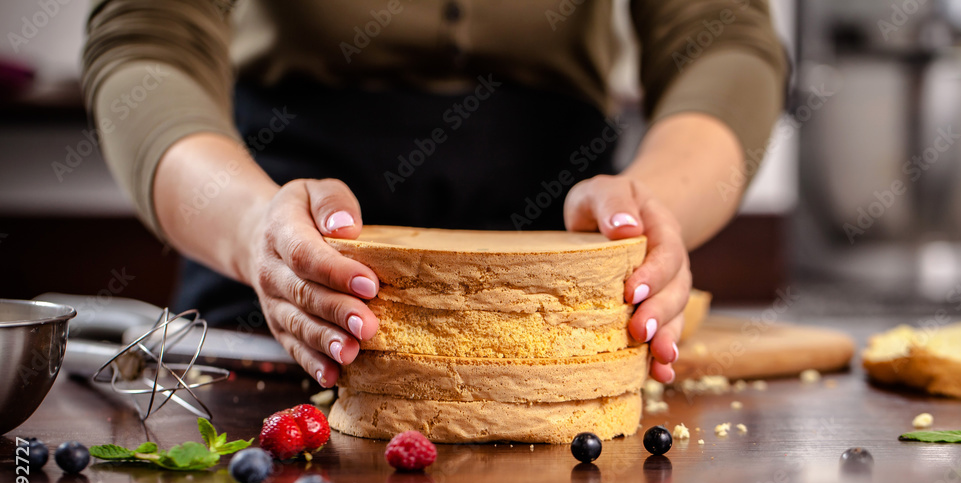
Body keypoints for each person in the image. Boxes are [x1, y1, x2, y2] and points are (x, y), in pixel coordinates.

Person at [82, 0, 787, 388]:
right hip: (279, 269)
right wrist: (252, 229)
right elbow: (147, 42)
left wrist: (651, 213)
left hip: (563, 258)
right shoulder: (268, 242)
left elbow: (725, 39)